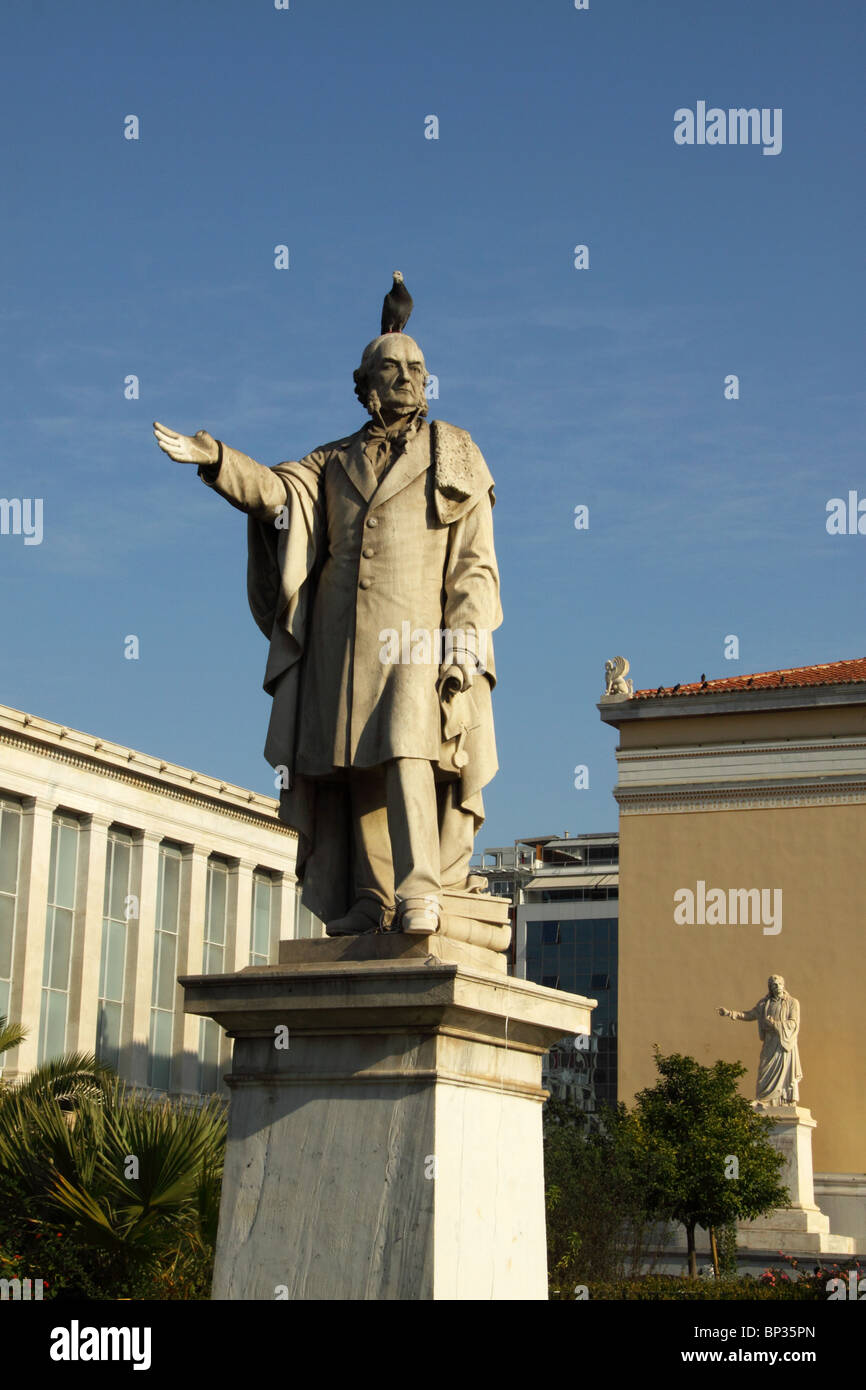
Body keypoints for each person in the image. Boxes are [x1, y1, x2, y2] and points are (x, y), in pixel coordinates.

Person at [154, 332, 501, 937]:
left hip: (420, 637)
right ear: (363, 385)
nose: (405, 377)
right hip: (344, 644)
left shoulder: (456, 451)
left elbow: (474, 560)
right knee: (355, 765)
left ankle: (421, 889)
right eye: (390, 368)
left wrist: (466, 637)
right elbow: (276, 495)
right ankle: (372, 897)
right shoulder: (332, 461)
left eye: (415, 367)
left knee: (407, 749)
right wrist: (217, 460)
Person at [718, 974, 802, 1105]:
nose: (778, 987)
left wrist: (774, 1024)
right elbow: (749, 1015)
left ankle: (782, 1100)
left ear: (783, 985)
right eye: (774, 985)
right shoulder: (764, 1004)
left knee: (783, 1074)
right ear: (770, 988)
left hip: (783, 1044)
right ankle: (764, 1099)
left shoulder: (792, 1002)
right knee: (764, 1069)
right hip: (770, 1042)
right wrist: (730, 1013)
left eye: (779, 984)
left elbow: (793, 1023)